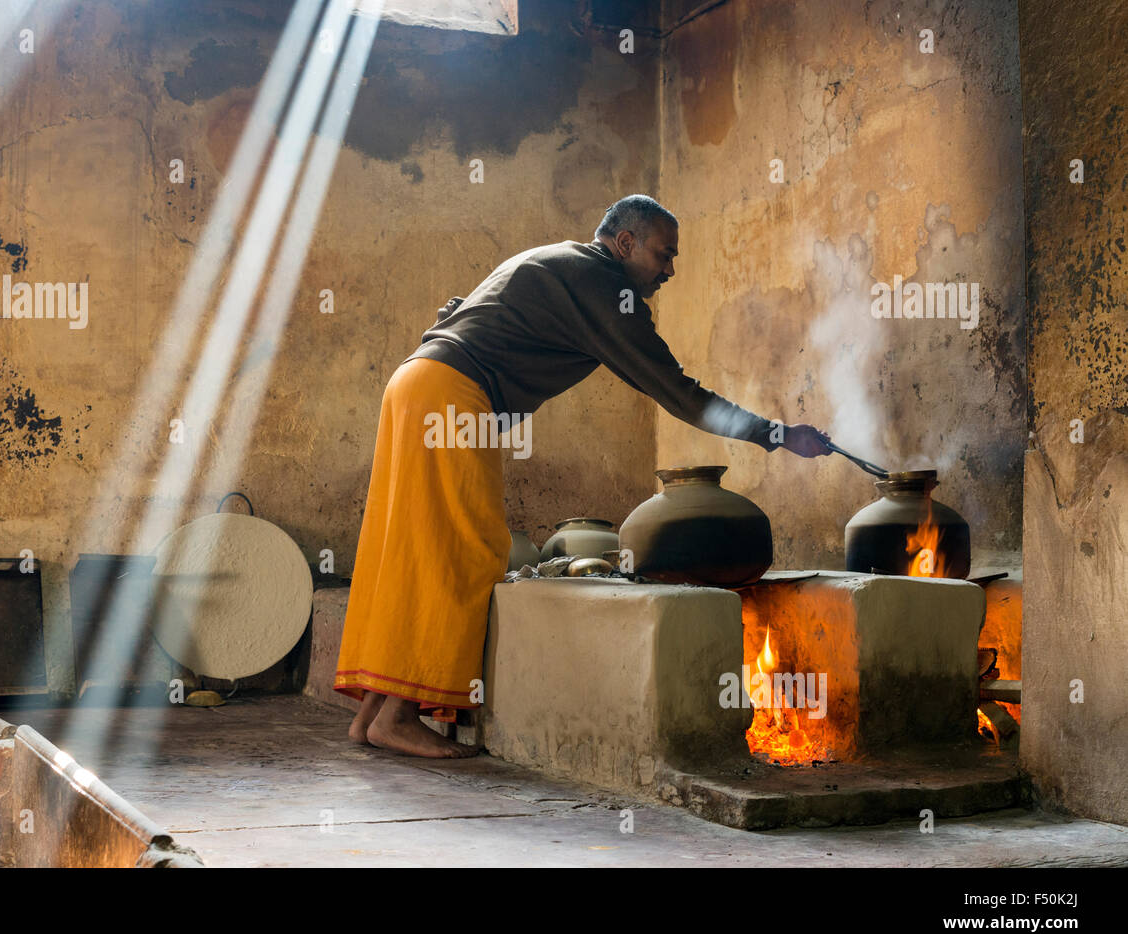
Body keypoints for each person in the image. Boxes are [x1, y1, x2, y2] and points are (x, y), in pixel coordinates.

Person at [334, 194, 831, 758]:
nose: (670, 270)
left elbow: (457, 310)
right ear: (625, 244)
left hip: (415, 384)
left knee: (410, 545)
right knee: (466, 550)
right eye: (664, 255)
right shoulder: (604, 288)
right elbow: (678, 393)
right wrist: (777, 435)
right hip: (452, 396)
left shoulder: (559, 260)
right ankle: (398, 715)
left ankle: (374, 713)